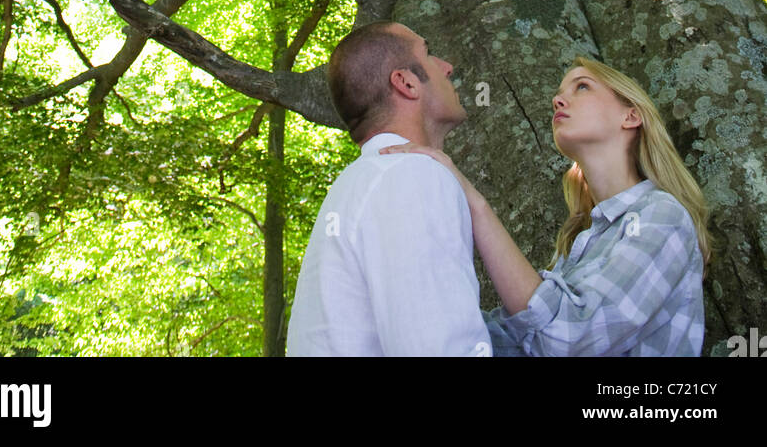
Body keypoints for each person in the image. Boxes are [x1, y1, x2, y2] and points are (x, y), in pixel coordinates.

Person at [381, 56, 709, 357]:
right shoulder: (580, 243)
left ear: (631, 116)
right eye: (560, 92)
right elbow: (507, 341)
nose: (558, 100)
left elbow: (569, 336)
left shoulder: (661, 216)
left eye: (582, 86)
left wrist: (474, 204)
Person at [286, 21, 492, 357]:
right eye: (429, 54)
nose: (447, 67)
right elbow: (438, 349)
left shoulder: (357, 185)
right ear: (407, 83)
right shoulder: (411, 173)